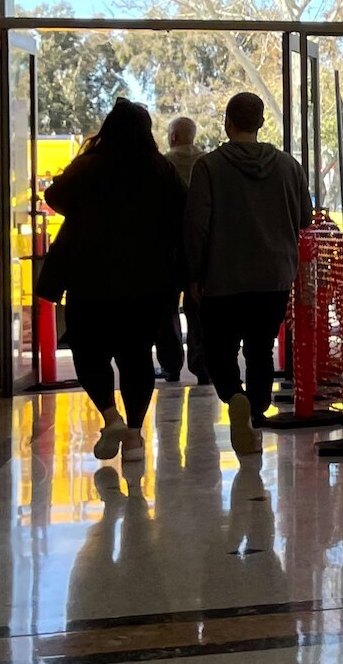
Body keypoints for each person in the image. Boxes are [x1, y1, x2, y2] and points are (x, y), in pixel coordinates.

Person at [42, 100, 186, 462]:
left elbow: (53, 195)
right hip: (147, 281)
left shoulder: (89, 166)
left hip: (90, 279)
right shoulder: (160, 169)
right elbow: (180, 213)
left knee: (88, 354)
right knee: (136, 357)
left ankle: (111, 416)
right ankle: (135, 436)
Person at [185, 92, 312, 457]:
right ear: (261, 123)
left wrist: (195, 272)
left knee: (219, 349)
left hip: (222, 277)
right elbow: (304, 219)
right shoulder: (290, 167)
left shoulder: (208, 167)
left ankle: (233, 396)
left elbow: (197, 225)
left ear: (228, 122)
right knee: (260, 349)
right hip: (274, 276)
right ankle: (255, 416)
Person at [156, 116, 209, 385]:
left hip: (167, 248)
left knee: (167, 310)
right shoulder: (207, 163)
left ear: (173, 137)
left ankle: (171, 365)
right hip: (200, 247)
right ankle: (202, 367)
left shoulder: (162, 164)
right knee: (198, 308)